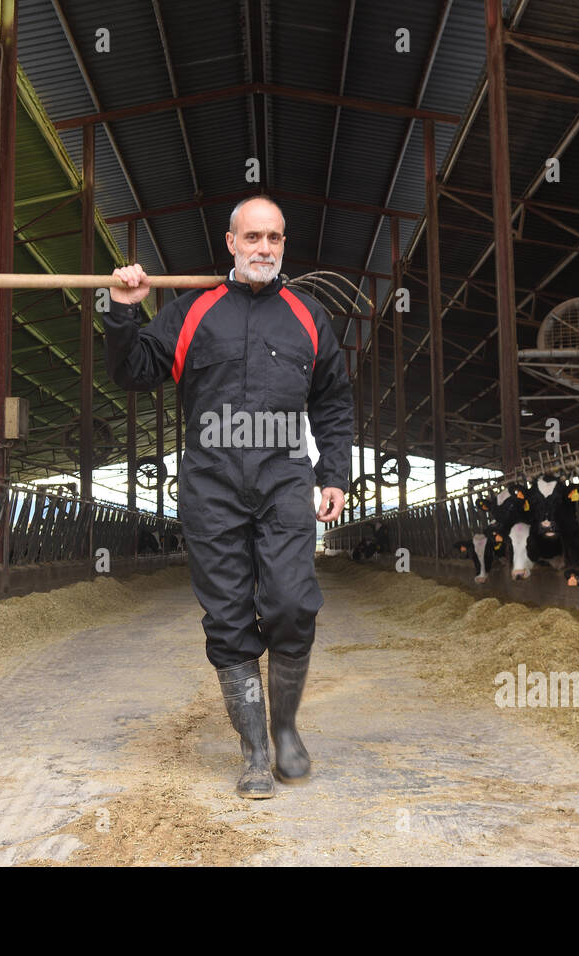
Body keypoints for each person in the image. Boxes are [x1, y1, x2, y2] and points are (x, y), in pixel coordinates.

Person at [103, 196, 352, 798]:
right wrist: (122, 311)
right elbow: (133, 371)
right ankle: (255, 751)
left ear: (283, 244)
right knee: (229, 617)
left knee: (293, 603)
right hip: (211, 483)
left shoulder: (308, 315)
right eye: (254, 237)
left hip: (284, 477)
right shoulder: (192, 311)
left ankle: (287, 727)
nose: (265, 248)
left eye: (275, 237)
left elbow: (333, 402)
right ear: (231, 243)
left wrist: (335, 475)